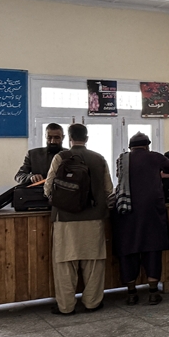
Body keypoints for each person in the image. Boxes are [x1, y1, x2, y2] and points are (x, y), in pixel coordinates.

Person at [44, 124, 113, 315]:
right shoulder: (99, 159)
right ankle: (92, 303)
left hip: (64, 219)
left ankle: (65, 307)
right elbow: (109, 189)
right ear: (87, 138)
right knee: (93, 264)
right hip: (94, 218)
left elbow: (48, 188)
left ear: (69, 138)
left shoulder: (61, 157)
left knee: (65, 264)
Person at [113, 132, 169, 305]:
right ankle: (152, 292)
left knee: (129, 250)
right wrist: (159, 173)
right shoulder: (155, 157)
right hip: (152, 212)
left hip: (127, 212)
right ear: (147, 145)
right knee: (152, 249)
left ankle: (131, 293)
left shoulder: (122, 159)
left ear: (130, 147)